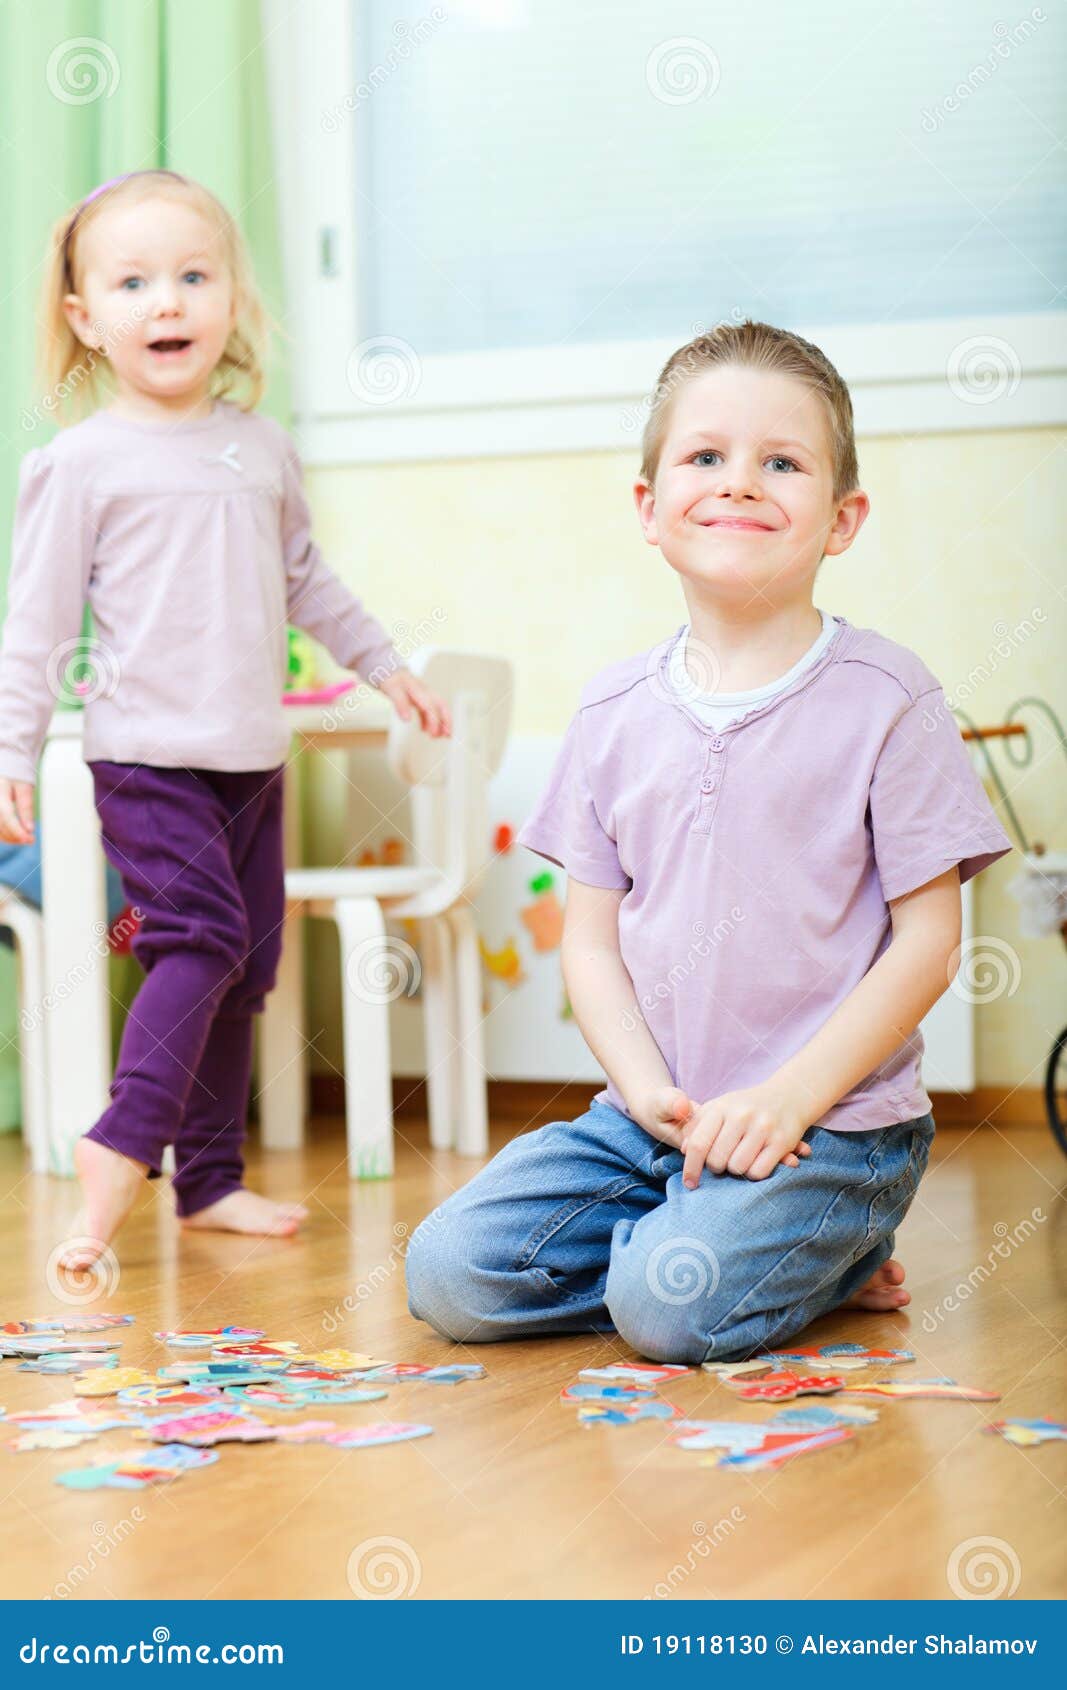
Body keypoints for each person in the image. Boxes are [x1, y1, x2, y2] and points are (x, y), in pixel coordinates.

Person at [405, 320, 1012, 1363]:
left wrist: (789, 1098)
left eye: (781, 462)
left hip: (833, 1130)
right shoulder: (610, 710)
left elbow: (926, 943)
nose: (739, 482)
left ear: (840, 517)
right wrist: (645, 1090)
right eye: (703, 457)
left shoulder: (890, 698)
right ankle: (747, 1246)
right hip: (650, 1127)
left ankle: (825, 1238)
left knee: (664, 1309)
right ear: (649, 508)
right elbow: (588, 943)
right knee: (447, 1271)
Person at [0, 169, 451, 1269]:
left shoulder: (258, 447)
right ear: (85, 319)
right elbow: (36, 624)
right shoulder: (80, 465)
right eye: (134, 283)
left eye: (194, 277)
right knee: (194, 941)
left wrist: (384, 664)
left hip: (254, 756)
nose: (168, 303)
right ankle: (115, 1158)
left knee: (247, 965)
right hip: (149, 760)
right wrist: (10, 749)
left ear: (234, 300)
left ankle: (206, 1182)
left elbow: (307, 580)